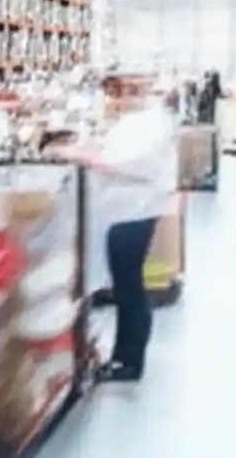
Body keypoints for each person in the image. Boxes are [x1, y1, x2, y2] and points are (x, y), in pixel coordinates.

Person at [74, 87, 177, 383]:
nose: (118, 99)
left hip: (134, 212)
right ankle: (125, 356)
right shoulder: (142, 123)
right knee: (127, 285)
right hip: (130, 211)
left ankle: (128, 362)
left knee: (129, 285)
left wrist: (87, 157)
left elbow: (125, 161)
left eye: (126, 91)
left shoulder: (148, 127)